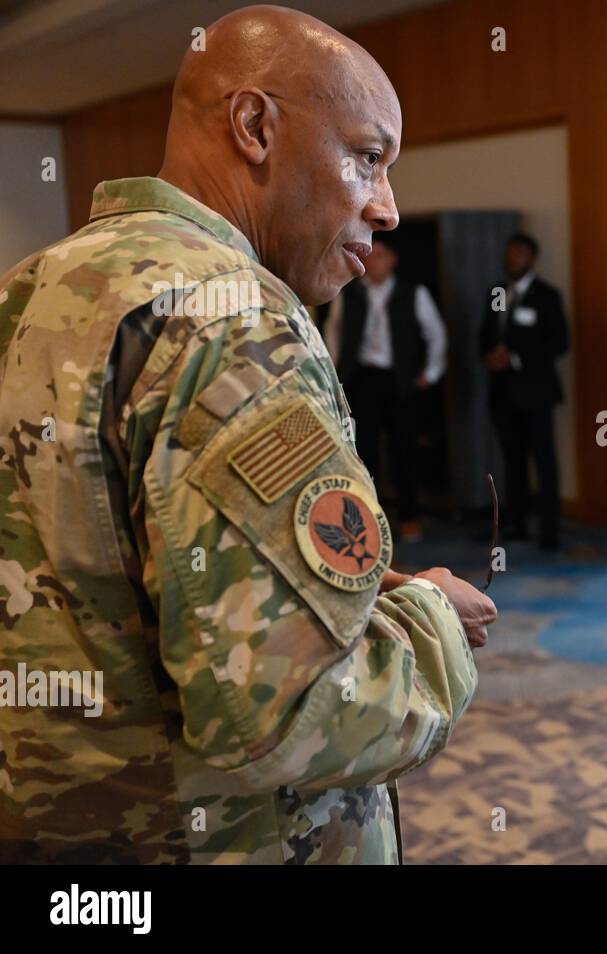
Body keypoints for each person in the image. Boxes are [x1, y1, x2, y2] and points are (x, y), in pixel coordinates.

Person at [0, 5, 495, 864]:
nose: (388, 209)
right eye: (369, 158)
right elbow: (292, 709)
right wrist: (431, 623)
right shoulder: (233, 315)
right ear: (256, 127)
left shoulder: (31, 287)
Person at [323, 236, 447, 542]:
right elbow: (332, 332)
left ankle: (409, 517)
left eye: (381, 255)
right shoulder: (349, 293)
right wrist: (333, 373)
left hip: (399, 380)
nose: (374, 262)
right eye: (371, 256)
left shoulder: (412, 293)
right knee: (362, 451)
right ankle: (366, 520)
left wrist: (430, 374)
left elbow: (436, 334)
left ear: (393, 260)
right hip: (361, 378)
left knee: (404, 449)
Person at [479, 232, 569, 550]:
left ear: (531, 258)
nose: (511, 258)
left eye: (518, 253)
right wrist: (489, 354)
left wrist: (514, 356)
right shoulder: (497, 291)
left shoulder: (546, 295)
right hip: (502, 392)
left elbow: (560, 342)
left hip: (536, 393)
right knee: (512, 460)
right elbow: (485, 334)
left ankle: (550, 529)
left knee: (544, 462)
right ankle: (516, 522)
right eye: (509, 253)